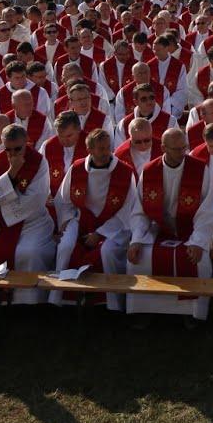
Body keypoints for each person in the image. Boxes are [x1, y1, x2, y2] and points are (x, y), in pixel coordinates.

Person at [125, 126, 213, 322]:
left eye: (184, 147)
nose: (182, 152)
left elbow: (206, 211)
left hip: (191, 228)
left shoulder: (199, 170)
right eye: (176, 149)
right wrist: (137, 239)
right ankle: (144, 311)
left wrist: (198, 241)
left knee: (197, 260)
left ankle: (191, 312)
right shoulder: (149, 171)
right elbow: (140, 211)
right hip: (159, 227)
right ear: (163, 148)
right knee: (139, 259)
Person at [53, 128, 135, 311]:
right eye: (101, 148)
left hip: (116, 226)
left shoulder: (124, 172)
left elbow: (128, 210)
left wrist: (100, 233)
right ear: (89, 149)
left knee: (107, 251)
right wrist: (66, 220)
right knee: (66, 246)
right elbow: (63, 199)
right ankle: (62, 297)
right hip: (83, 220)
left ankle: (111, 302)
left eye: (108, 147)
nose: (106, 152)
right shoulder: (77, 169)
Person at [0, 122, 56, 307]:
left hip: (33, 221)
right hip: (4, 223)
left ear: (26, 142)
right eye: (8, 149)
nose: (13, 154)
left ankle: (28, 301)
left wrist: (3, 202)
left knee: (29, 253)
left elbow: (37, 199)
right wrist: (12, 171)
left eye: (17, 149)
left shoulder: (39, 162)